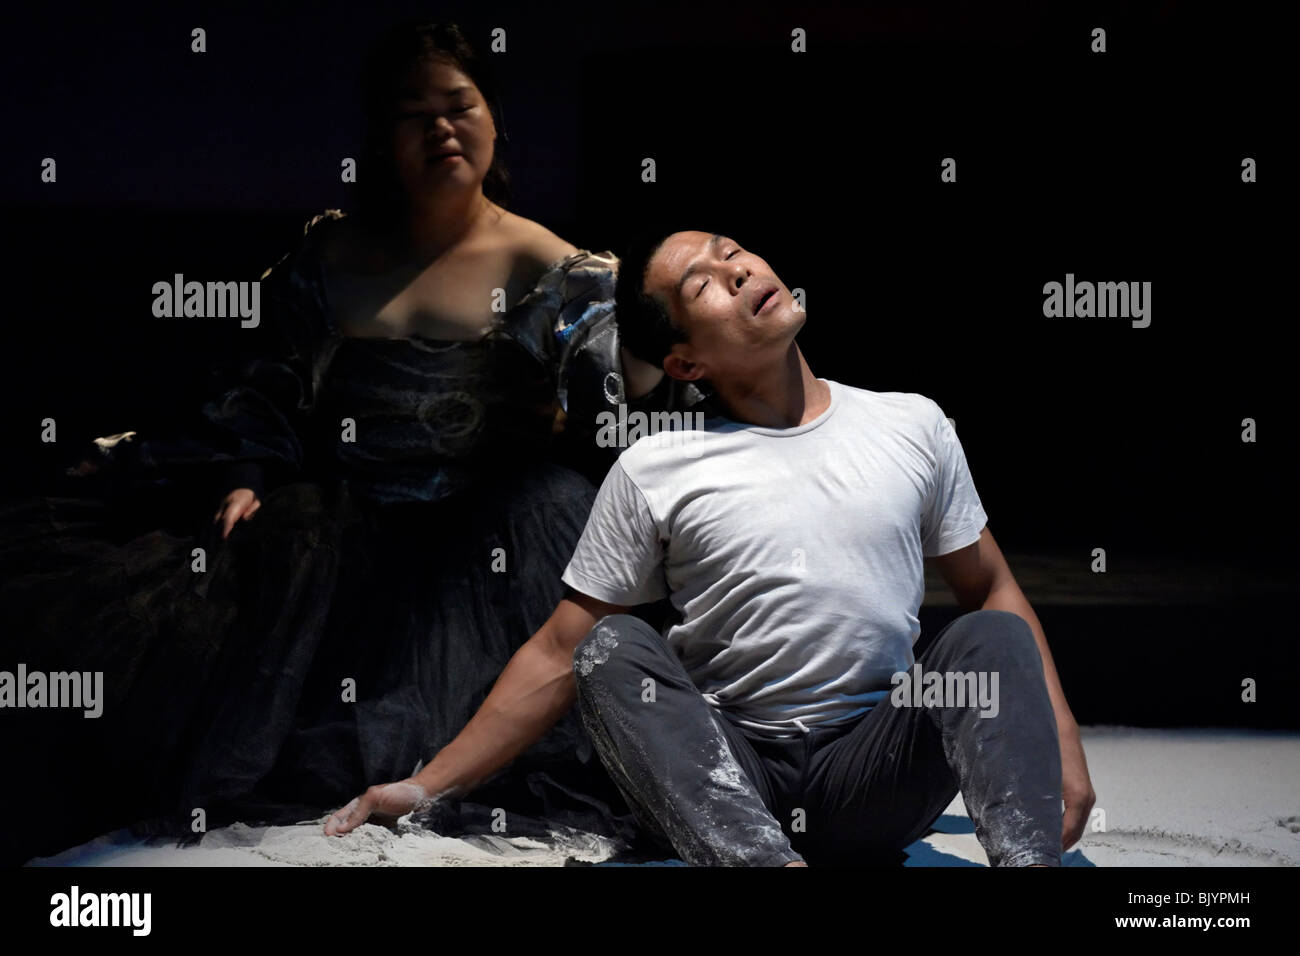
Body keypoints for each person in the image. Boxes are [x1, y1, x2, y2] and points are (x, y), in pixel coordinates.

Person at [0, 21, 702, 865]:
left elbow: (601, 376)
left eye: (460, 106)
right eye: (416, 113)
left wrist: (646, 352)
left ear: (493, 120)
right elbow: (267, 379)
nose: (442, 128)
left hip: (482, 530)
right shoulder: (332, 248)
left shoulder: (541, 260)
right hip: (342, 519)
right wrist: (250, 472)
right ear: (381, 137)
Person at [324, 227, 1097, 867]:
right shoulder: (658, 464)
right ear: (687, 362)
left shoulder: (912, 423)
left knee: (989, 637)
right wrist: (426, 786)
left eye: (734, 254)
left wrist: (1063, 746)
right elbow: (561, 648)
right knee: (612, 645)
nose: (739, 271)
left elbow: (991, 588)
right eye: (705, 285)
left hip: (874, 772)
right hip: (730, 774)